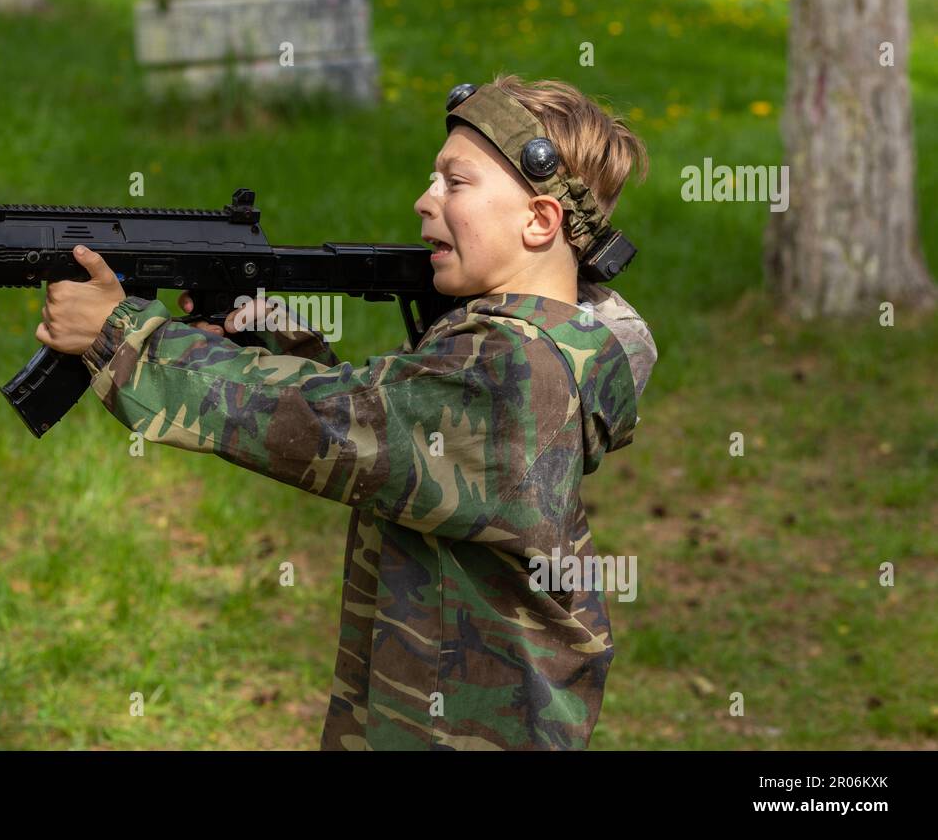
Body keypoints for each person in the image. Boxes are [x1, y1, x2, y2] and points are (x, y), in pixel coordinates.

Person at [35, 74, 657, 750]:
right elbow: (393, 428)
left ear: (539, 220)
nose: (424, 201)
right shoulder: (531, 346)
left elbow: (330, 428)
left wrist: (125, 337)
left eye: (456, 183)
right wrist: (277, 339)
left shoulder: (512, 372)